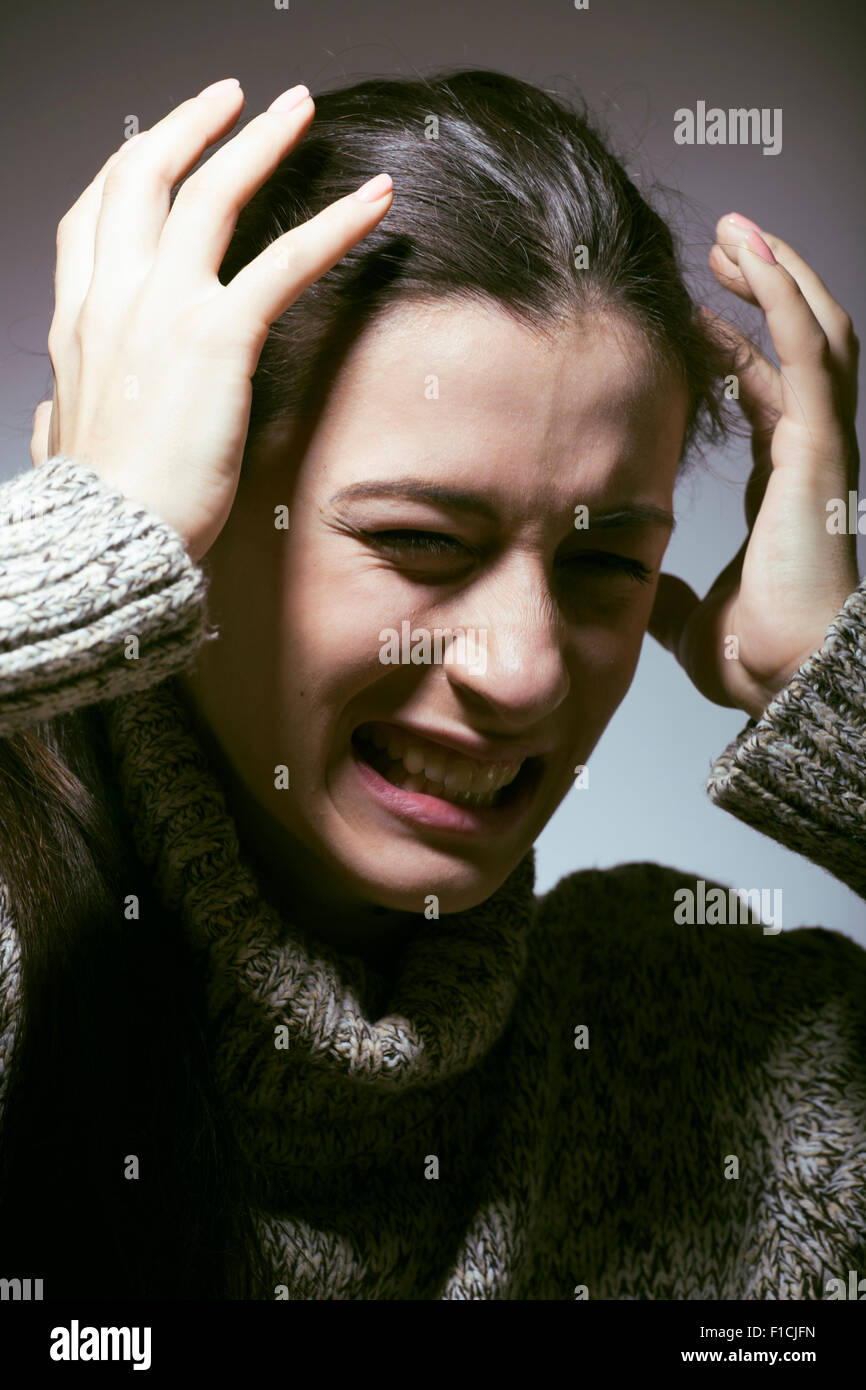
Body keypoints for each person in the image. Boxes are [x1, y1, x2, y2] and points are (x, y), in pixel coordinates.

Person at [0, 67, 863, 1301]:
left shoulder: (716, 1050)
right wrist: (75, 551)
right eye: (415, 542)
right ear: (188, 516)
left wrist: (838, 679)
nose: (522, 672)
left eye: (605, 559)